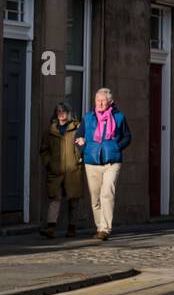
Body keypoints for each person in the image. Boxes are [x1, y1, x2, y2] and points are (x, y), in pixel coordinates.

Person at [75, 88, 131, 241]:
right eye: (97, 100)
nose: (99, 103)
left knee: (107, 193)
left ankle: (105, 229)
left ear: (110, 102)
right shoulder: (88, 118)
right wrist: (83, 147)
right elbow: (78, 135)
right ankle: (99, 226)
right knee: (95, 197)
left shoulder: (119, 117)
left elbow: (127, 136)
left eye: (102, 100)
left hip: (112, 161)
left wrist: (116, 147)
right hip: (92, 161)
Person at [38, 103, 83, 238]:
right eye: (58, 111)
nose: (61, 114)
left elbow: (84, 144)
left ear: (68, 113)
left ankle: (72, 228)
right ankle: (51, 228)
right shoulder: (50, 130)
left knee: (73, 200)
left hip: (72, 169)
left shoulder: (77, 127)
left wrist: (79, 158)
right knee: (54, 199)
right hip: (55, 170)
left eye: (63, 111)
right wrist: (48, 163)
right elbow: (43, 150)